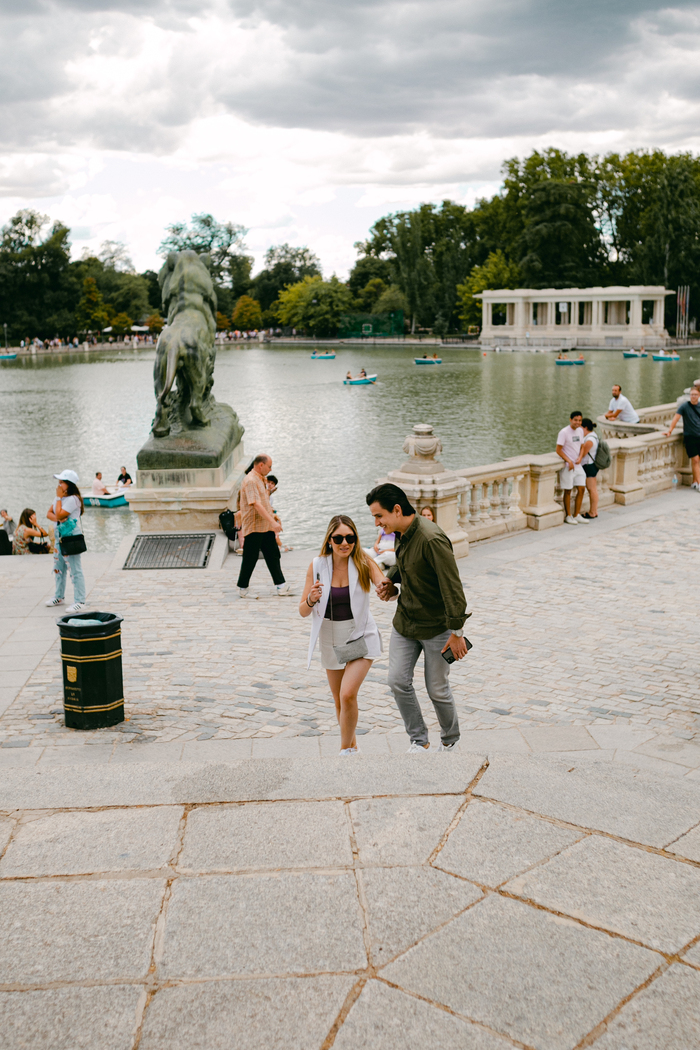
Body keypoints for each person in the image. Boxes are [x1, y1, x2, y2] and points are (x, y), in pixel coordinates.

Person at [367, 483, 469, 753]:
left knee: (437, 689)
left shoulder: (431, 538)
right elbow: (404, 563)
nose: (377, 523)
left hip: (436, 628)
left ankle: (450, 740)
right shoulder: (401, 532)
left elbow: (452, 587)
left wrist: (457, 633)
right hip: (405, 623)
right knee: (397, 681)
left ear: (397, 510)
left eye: (379, 516)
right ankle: (419, 740)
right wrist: (391, 581)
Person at [300, 515, 385, 754]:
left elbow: (383, 583)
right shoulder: (317, 566)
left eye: (350, 537)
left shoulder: (363, 562)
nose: (344, 543)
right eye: (338, 538)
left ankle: (345, 751)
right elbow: (303, 611)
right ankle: (353, 746)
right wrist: (311, 599)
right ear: (329, 540)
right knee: (339, 700)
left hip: (360, 635)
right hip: (330, 637)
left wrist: (386, 588)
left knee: (348, 694)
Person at [237, 454, 292, 597]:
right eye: (269, 466)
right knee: (250, 557)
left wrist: (273, 517)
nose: (271, 469)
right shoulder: (250, 481)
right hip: (254, 526)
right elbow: (255, 504)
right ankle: (243, 589)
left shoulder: (260, 479)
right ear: (261, 465)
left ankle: (281, 586)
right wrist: (273, 522)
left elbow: (264, 502)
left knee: (273, 554)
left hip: (264, 525)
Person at [45, 470, 86, 612]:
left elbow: (60, 513)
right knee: (58, 567)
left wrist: (59, 510)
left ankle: (80, 600)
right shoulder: (59, 498)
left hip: (71, 537)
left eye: (61, 482)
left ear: (68, 484)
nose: (59, 484)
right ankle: (59, 596)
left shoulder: (73, 499)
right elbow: (50, 514)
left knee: (75, 569)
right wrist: (59, 512)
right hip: (60, 537)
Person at [665, 386, 700, 491]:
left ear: (699, 395)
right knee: (695, 460)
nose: (693, 397)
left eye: (695, 395)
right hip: (690, 436)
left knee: (697, 461)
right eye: (692, 395)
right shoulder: (684, 406)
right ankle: (699, 483)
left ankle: (694, 482)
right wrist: (670, 431)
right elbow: (676, 418)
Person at [556, 411, 588, 524]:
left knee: (581, 489)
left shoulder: (580, 431)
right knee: (568, 491)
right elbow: (558, 450)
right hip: (568, 466)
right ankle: (568, 515)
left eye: (580, 420)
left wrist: (580, 457)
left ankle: (577, 514)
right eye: (575, 420)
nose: (578, 423)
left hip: (578, 465)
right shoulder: (564, 432)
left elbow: (582, 446)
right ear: (570, 420)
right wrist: (568, 460)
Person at [579, 419, 600, 520]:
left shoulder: (589, 440)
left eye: (580, 427)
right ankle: (594, 511)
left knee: (592, 489)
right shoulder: (593, 436)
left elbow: (582, 454)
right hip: (591, 465)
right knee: (593, 489)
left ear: (585, 428)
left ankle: (592, 512)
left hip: (588, 466)